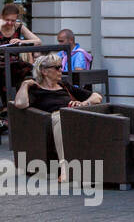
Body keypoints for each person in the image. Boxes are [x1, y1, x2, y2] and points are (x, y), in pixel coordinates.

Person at [12, 52, 104, 181]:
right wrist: (24, 85)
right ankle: (65, 167)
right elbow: (20, 104)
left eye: (61, 66)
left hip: (74, 117)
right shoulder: (36, 90)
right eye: (57, 67)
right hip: (53, 121)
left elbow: (97, 97)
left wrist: (83, 103)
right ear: (44, 71)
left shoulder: (64, 86)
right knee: (60, 118)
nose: (61, 70)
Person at [1, 3, 41, 99]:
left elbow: (38, 41)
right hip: (1, 64)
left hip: (14, 64)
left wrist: (22, 41)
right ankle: (6, 105)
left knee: (29, 70)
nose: (10, 23)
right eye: (7, 20)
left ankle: (27, 99)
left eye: (13, 20)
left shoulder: (19, 27)